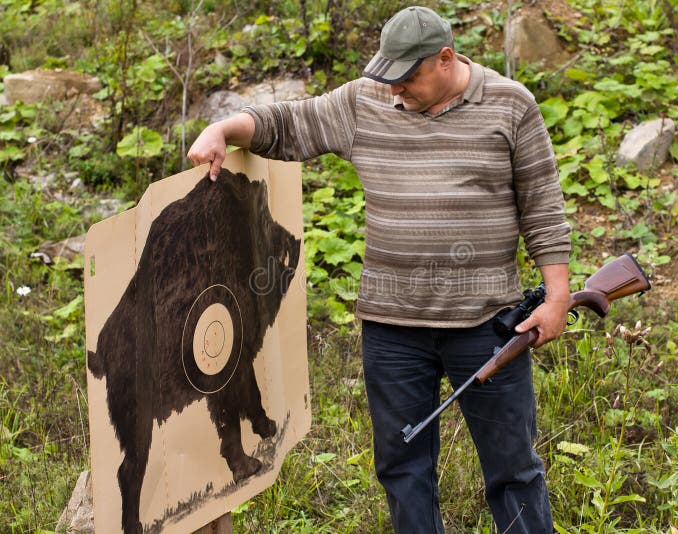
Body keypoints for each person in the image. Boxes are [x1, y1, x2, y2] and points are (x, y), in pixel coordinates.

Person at [188, 6, 571, 532]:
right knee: (402, 468)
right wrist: (222, 129)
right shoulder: (363, 102)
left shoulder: (511, 105)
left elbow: (544, 208)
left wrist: (557, 299)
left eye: (407, 78)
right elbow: (285, 124)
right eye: (387, 77)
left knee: (513, 469)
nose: (394, 91)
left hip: (487, 325)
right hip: (393, 332)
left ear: (445, 59)